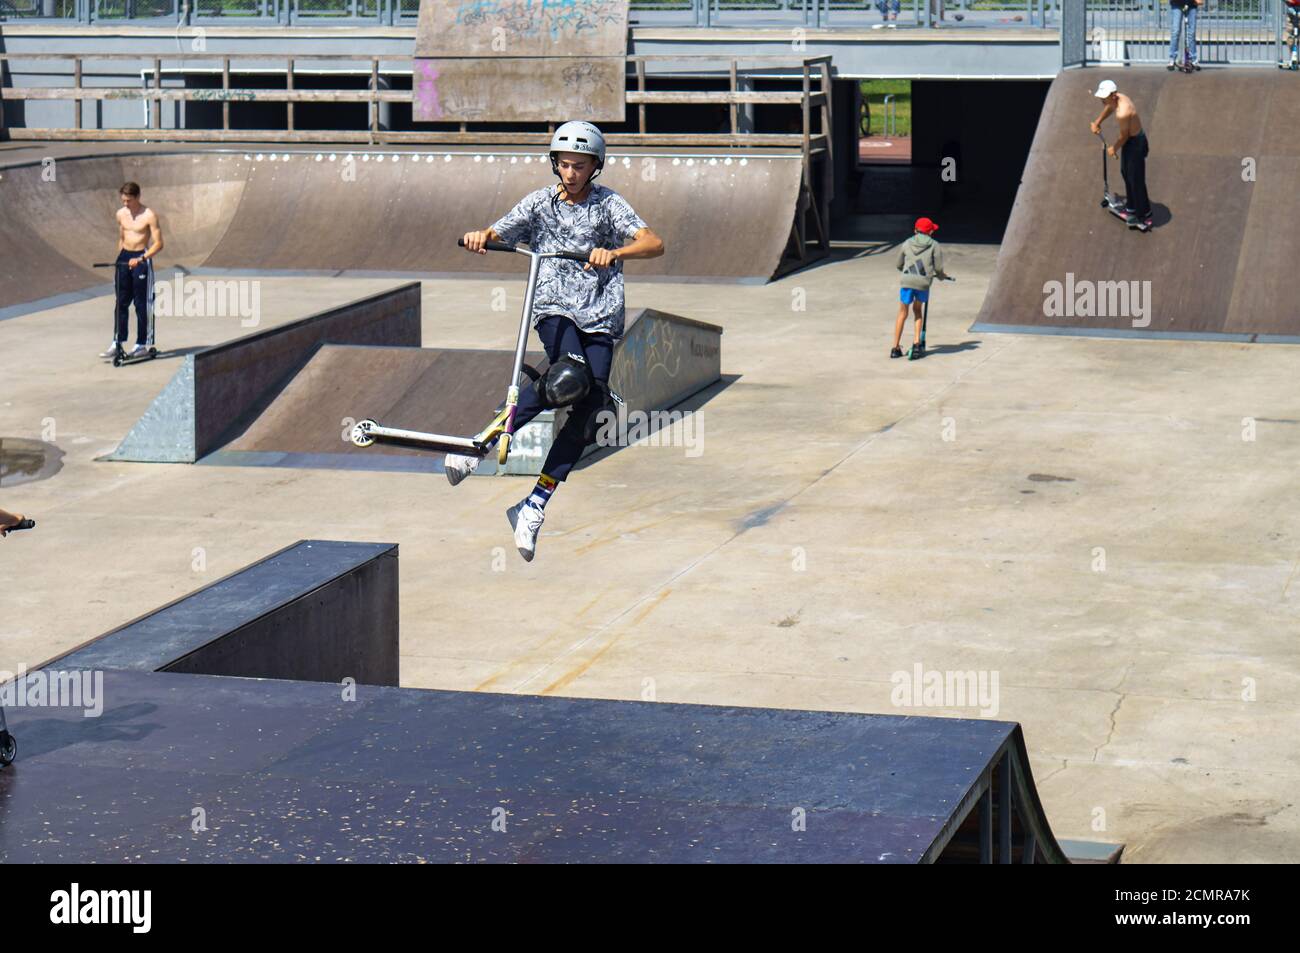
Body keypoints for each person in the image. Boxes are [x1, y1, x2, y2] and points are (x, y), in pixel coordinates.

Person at [453, 121, 664, 561]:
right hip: (554, 305)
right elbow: (499, 232)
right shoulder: (538, 203)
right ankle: (479, 444)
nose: (570, 173)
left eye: (580, 165)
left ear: (595, 167)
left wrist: (616, 253)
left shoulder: (609, 205)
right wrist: (480, 236)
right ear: (555, 163)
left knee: (593, 409)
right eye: (565, 164)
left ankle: (533, 504)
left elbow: (653, 242)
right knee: (568, 378)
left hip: (602, 315)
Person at [100, 182, 164, 360]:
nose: (125, 204)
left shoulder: (149, 215)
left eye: (129, 200)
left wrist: (141, 259)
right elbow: (121, 237)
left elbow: (159, 244)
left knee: (142, 303)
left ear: (137, 197)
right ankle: (117, 341)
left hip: (141, 259)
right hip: (124, 258)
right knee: (121, 302)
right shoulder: (120, 214)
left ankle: (141, 344)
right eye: (123, 200)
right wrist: (121, 257)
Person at [1090, 79, 1152, 231]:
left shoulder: (1123, 112)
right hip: (1131, 142)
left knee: (1135, 179)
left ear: (1112, 95)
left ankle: (1144, 213)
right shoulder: (1116, 99)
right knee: (1125, 172)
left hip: (1135, 143)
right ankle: (1132, 205)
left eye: (1103, 98)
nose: (1101, 100)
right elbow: (1109, 107)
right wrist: (1098, 121)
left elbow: (1124, 136)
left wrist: (1113, 148)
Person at [891, 217, 950, 359]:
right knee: (917, 311)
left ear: (915, 230)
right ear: (930, 232)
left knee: (902, 313)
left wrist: (907, 272)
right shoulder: (934, 245)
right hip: (923, 283)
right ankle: (917, 344)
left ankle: (895, 348)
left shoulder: (906, 243)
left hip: (907, 282)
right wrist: (941, 276)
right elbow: (938, 268)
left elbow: (898, 264)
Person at [1168, 0, 1203, 71]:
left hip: (1192, 4)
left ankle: (1194, 60)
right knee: (1175, 31)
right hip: (1177, 3)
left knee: (1191, 33)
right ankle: (1172, 59)